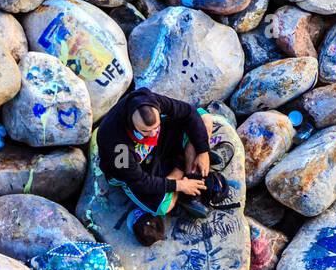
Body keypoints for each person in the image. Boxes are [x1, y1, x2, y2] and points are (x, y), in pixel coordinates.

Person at [96, 87, 236, 246]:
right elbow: (140, 182)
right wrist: (180, 185)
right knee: (164, 206)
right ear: (131, 123)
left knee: (204, 118)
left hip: (159, 148)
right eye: (146, 131)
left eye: (156, 127)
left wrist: (203, 151)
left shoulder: (148, 100)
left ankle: (192, 181)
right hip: (135, 171)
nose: (153, 134)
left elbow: (189, 112)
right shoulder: (117, 146)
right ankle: (186, 173)